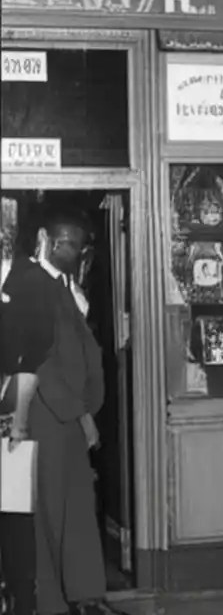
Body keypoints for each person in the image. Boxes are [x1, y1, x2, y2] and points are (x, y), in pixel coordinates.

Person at [1, 207, 119, 615]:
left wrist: (88, 409)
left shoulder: (67, 284)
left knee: (76, 507)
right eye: (66, 243)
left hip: (69, 416)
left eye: (79, 245)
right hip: (46, 416)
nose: (72, 251)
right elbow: (40, 363)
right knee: (48, 512)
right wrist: (80, 414)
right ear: (46, 240)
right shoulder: (29, 281)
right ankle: (52, 603)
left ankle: (85, 596)